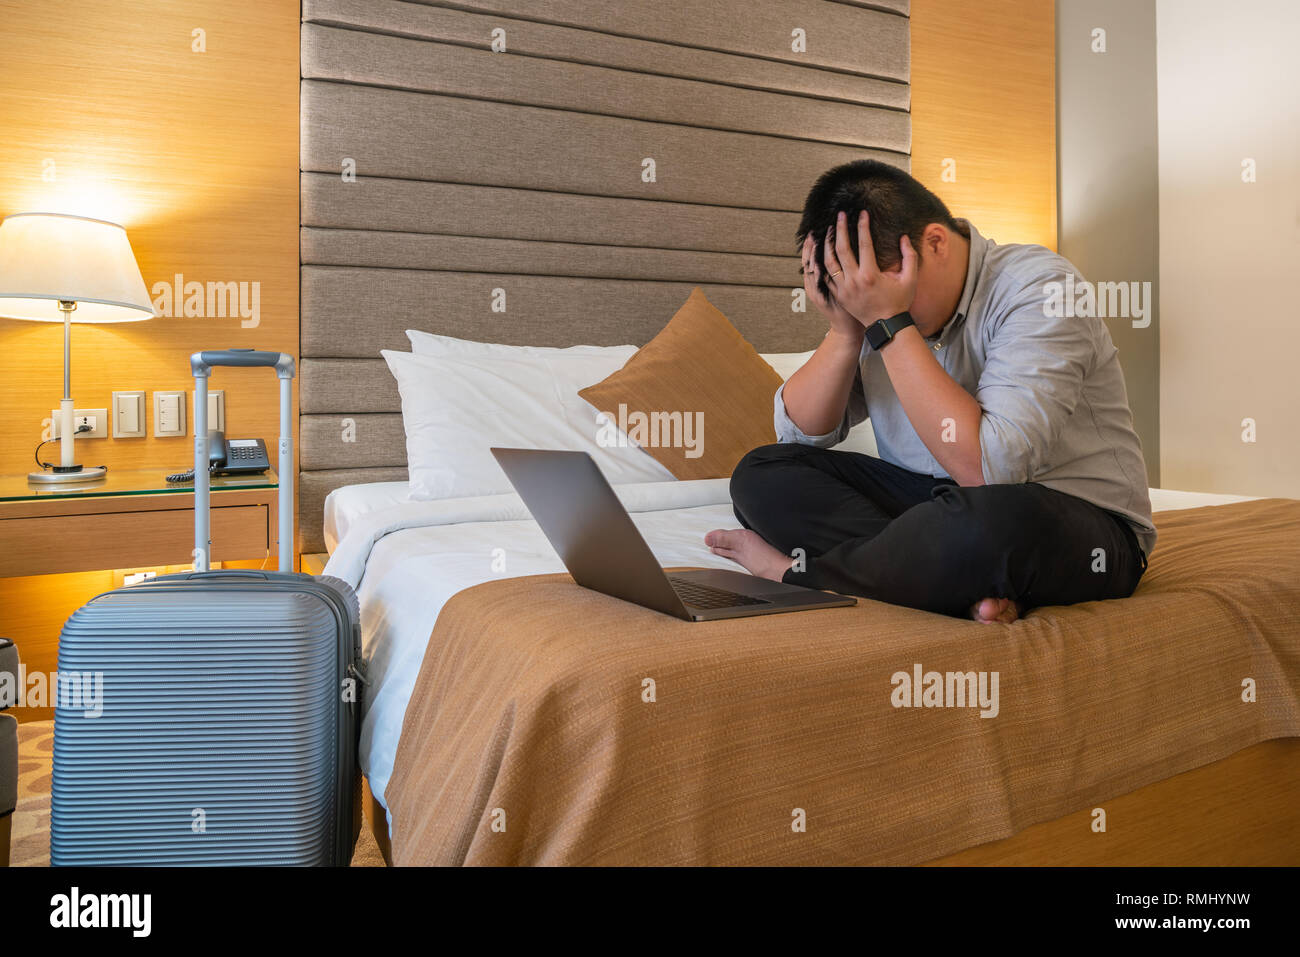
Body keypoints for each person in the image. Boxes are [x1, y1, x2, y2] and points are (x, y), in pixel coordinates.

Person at [705, 159, 1154, 623]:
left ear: (935, 242)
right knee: (761, 475)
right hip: (936, 508)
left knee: (985, 524)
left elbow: (991, 471)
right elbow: (800, 434)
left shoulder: (1041, 287)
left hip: (1071, 519)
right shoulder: (866, 309)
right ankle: (948, 581)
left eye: (882, 293)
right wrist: (845, 332)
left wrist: (890, 323)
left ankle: (801, 575)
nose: (870, 308)